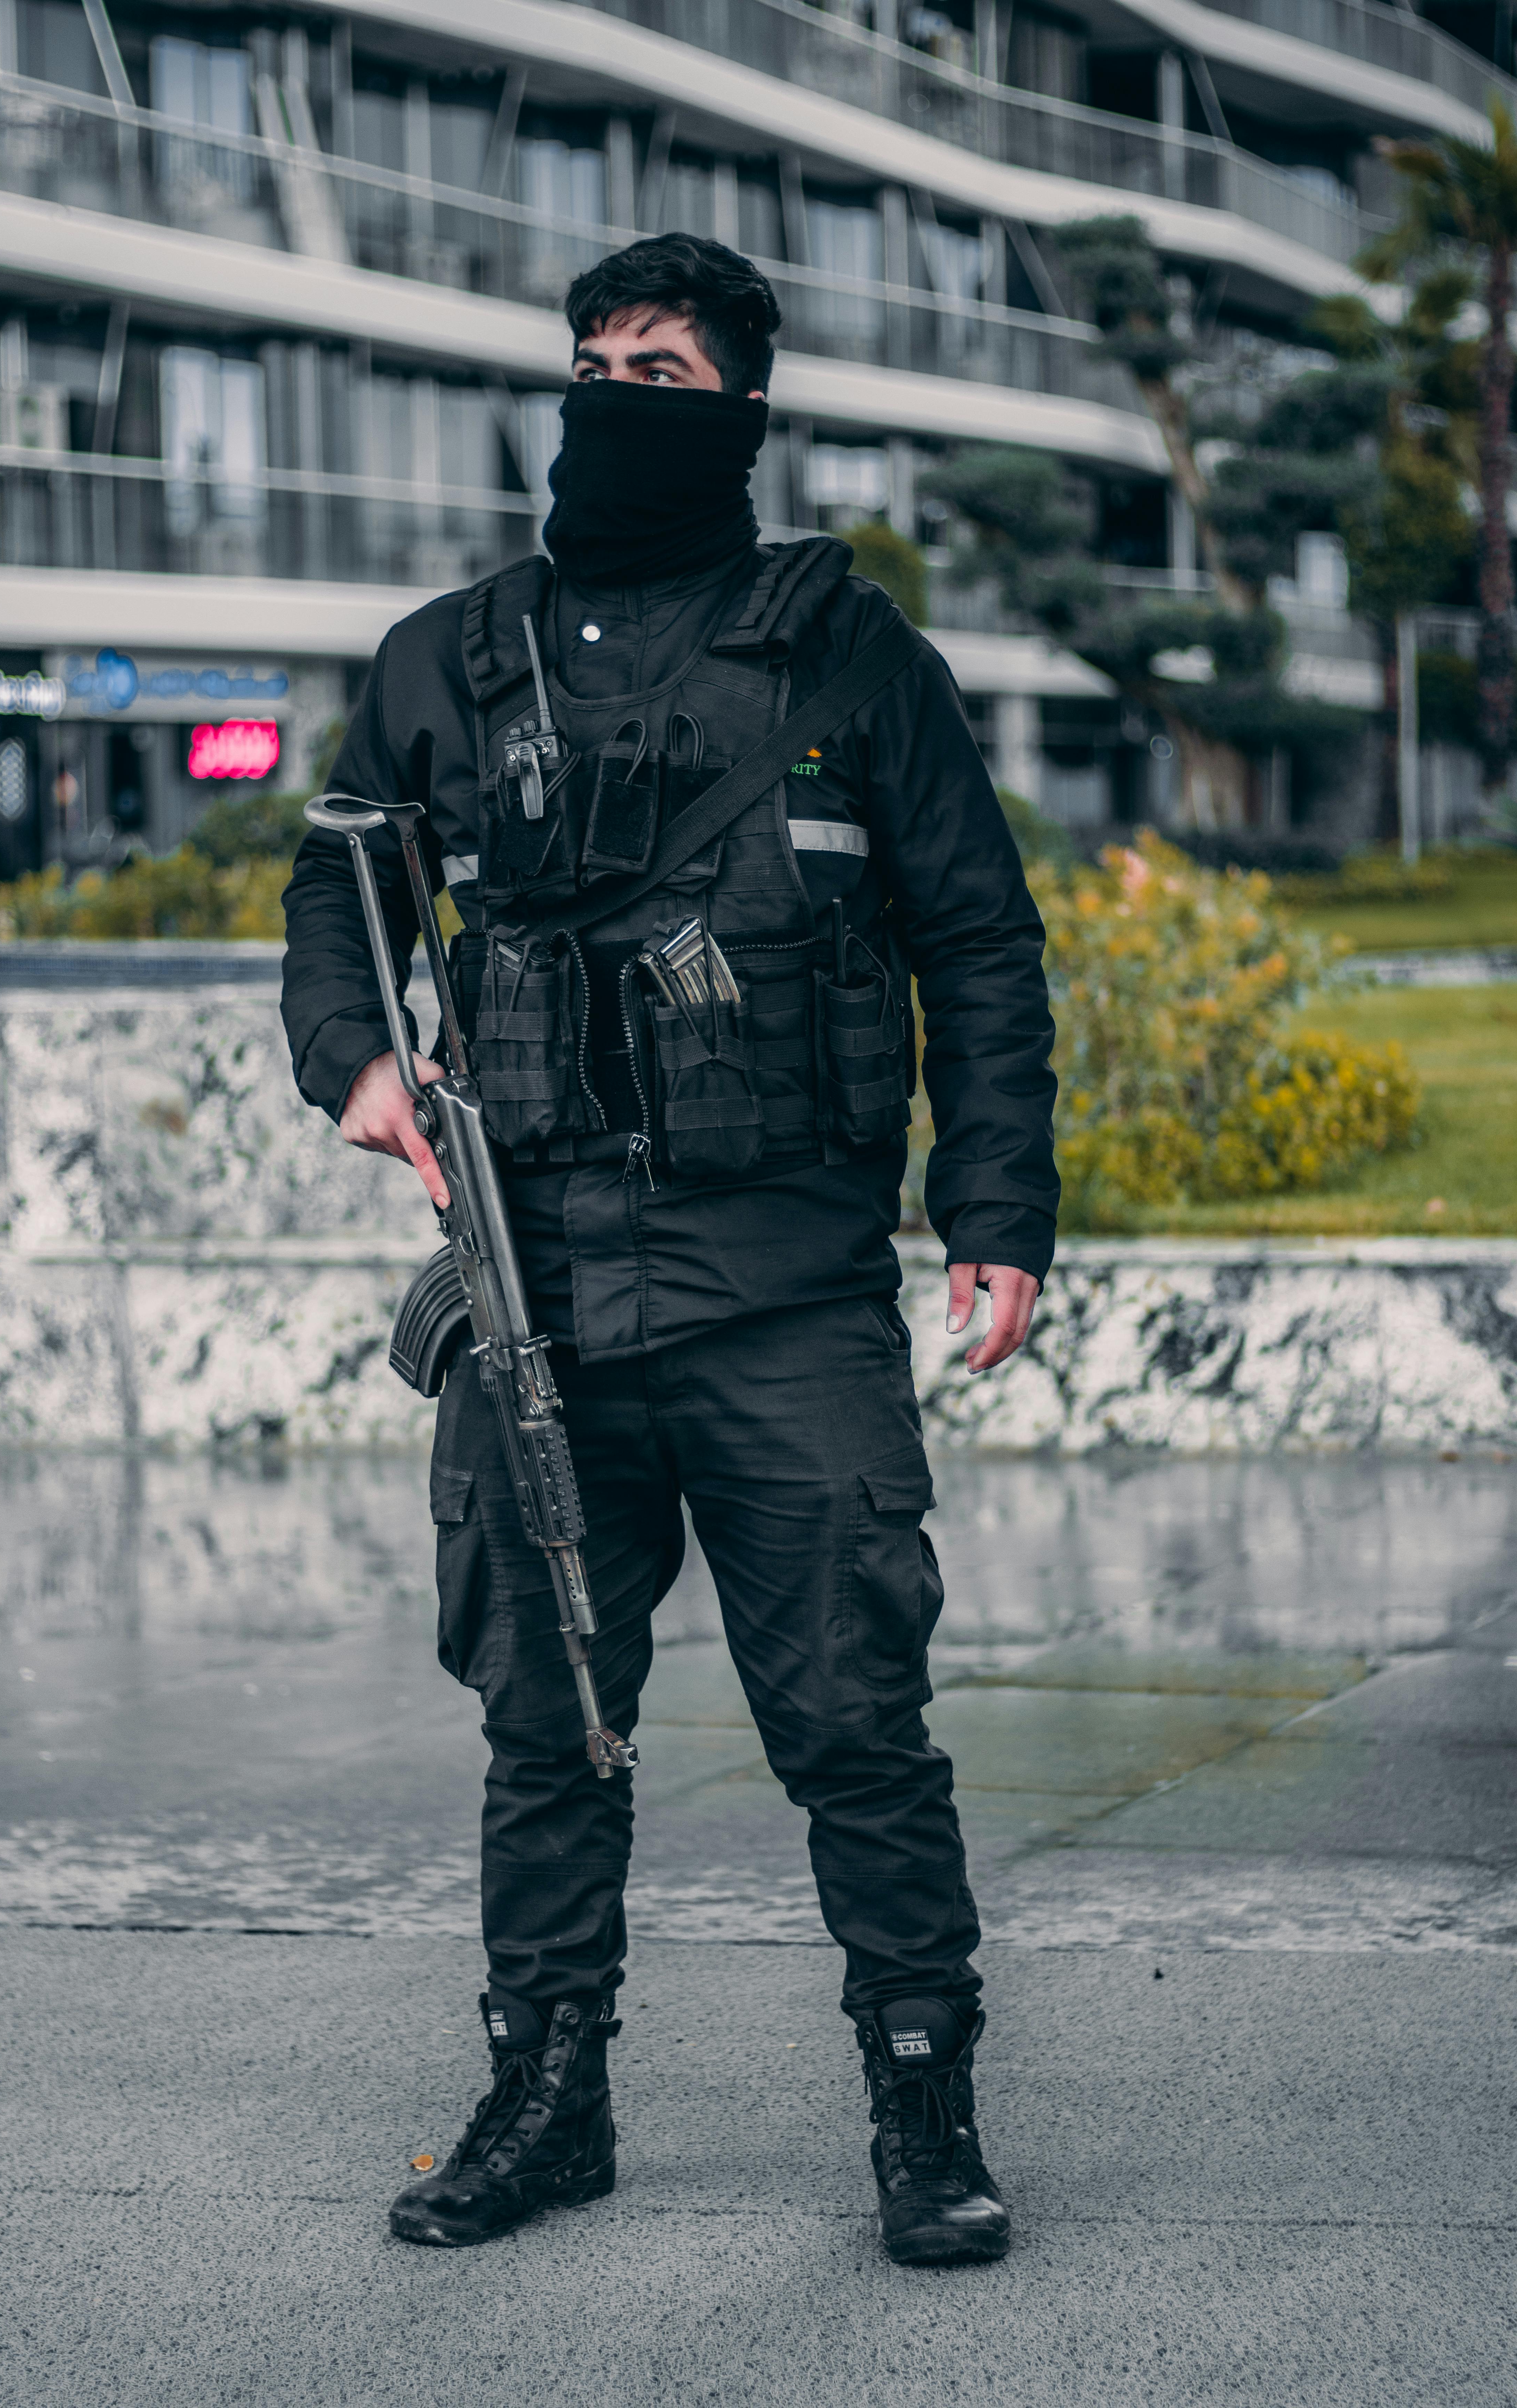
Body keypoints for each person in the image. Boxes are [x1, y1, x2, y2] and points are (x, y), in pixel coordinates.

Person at [280, 233, 1057, 2267]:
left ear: (742, 408)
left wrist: (998, 1214)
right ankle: (548, 2104)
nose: (616, 398)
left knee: (854, 1723)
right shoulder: (449, 660)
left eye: (662, 370)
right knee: (546, 1729)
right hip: (534, 1289)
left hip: (785, 1293)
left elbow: (981, 945)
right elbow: (337, 888)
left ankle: (924, 2112)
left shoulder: (850, 657)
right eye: (594, 363)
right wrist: (354, 1057)